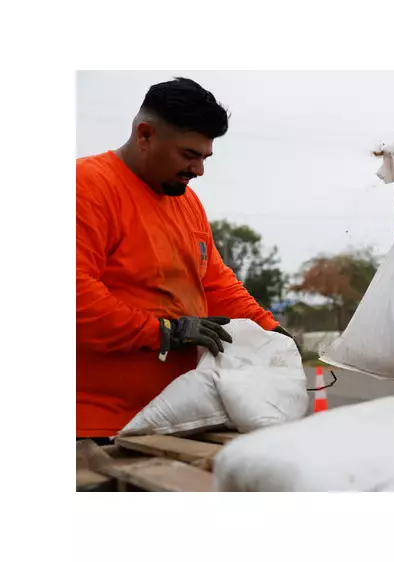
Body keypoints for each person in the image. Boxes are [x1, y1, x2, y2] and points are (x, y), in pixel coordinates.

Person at [77, 77, 297, 441]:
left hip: (177, 419)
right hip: (96, 428)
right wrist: (163, 331)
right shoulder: (87, 186)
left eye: (204, 157)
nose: (199, 170)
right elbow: (75, 293)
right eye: (188, 155)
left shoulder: (187, 202)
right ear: (145, 135)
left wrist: (268, 329)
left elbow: (214, 283)